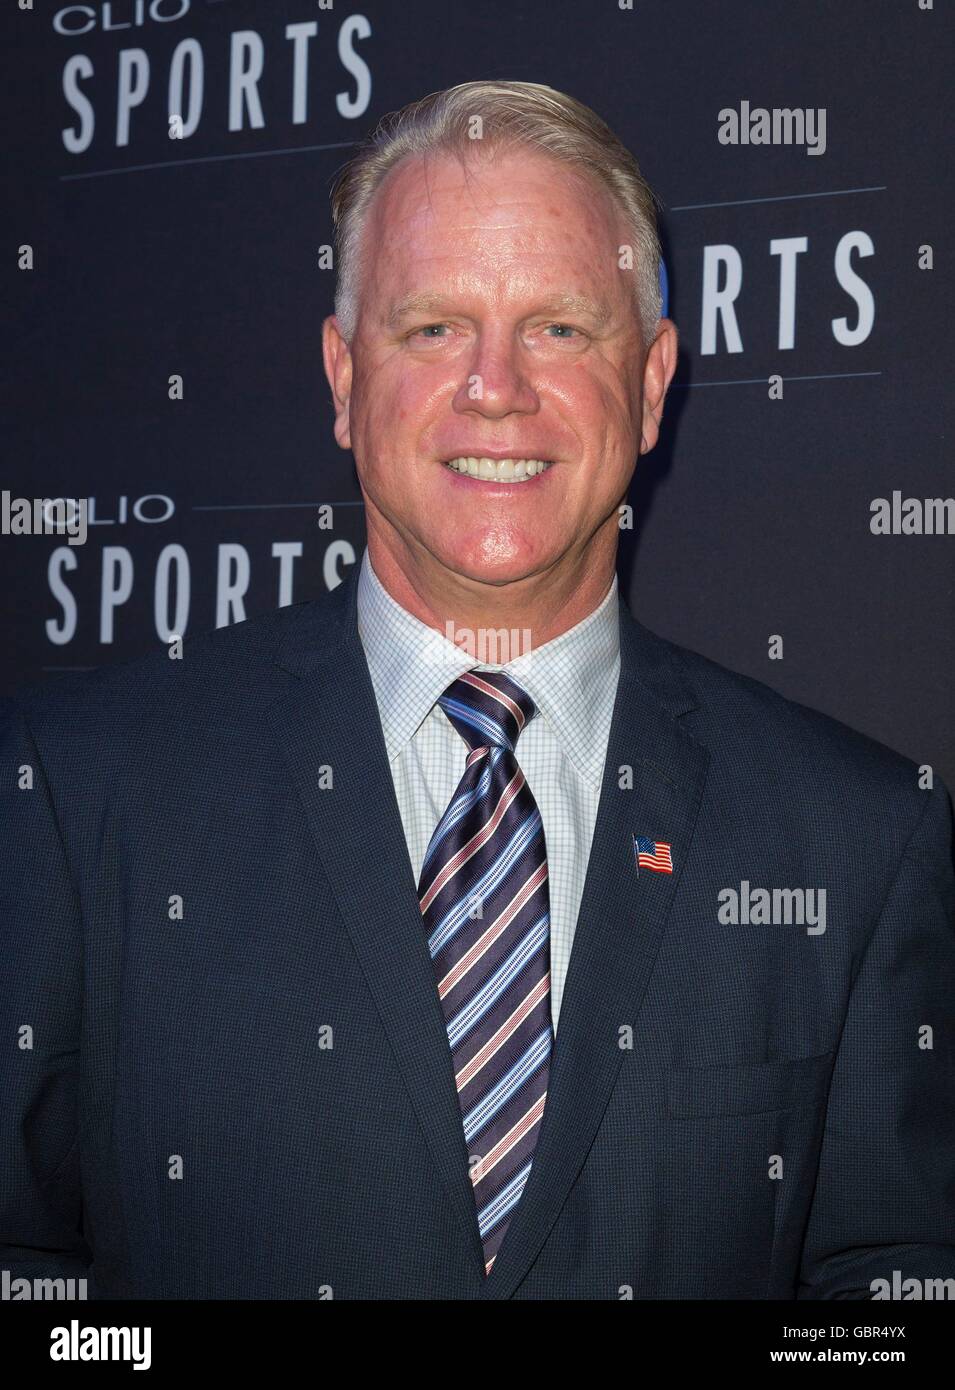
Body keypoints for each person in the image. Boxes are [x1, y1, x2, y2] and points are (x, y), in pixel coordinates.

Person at [2, 80, 953, 1300]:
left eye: (560, 327)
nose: (495, 385)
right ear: (344, 378)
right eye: (433, 326)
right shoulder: (78, 795)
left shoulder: (854, 839)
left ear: (653, 382)